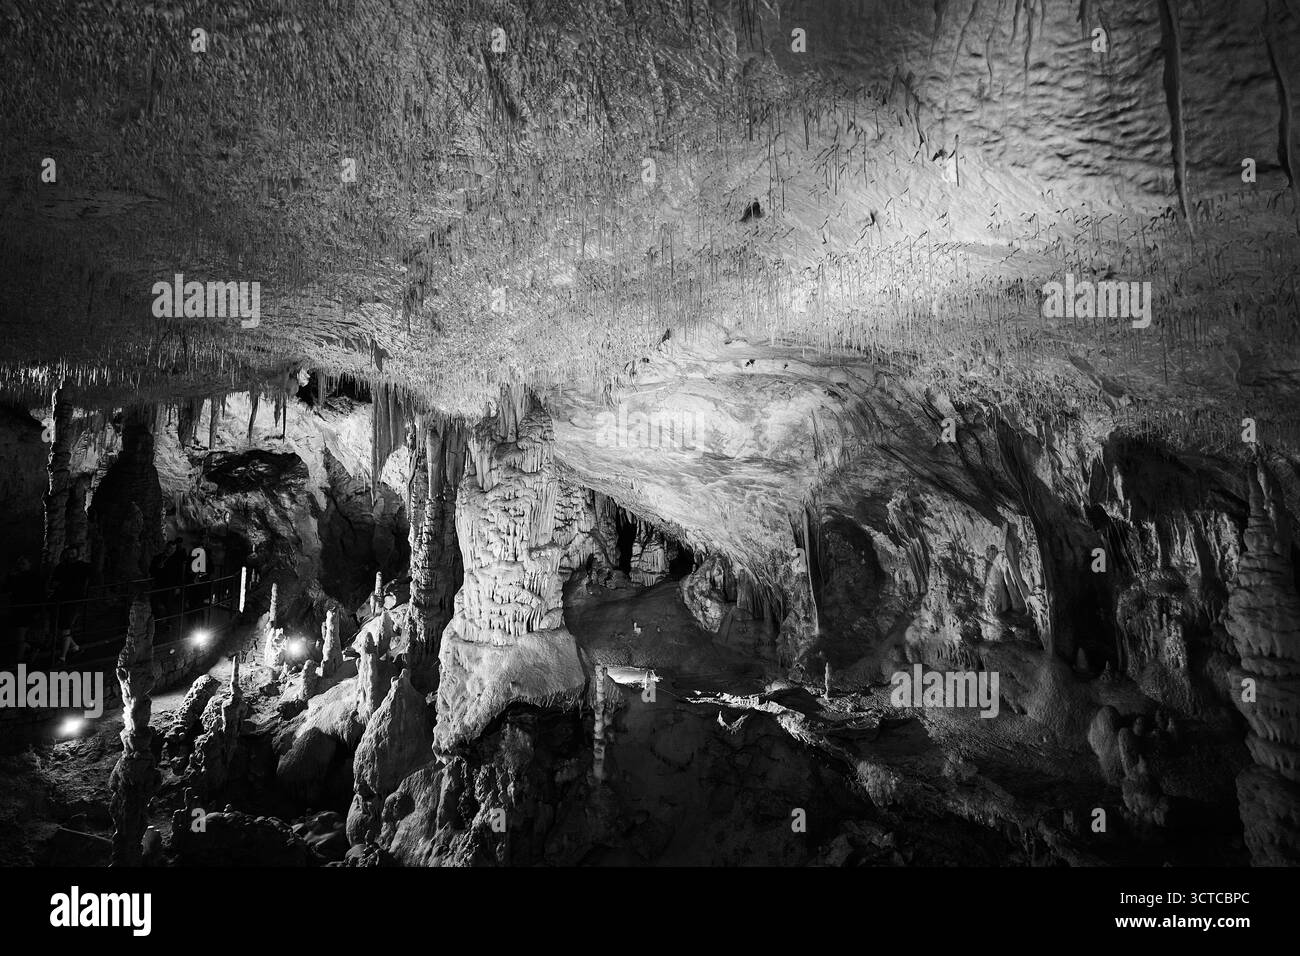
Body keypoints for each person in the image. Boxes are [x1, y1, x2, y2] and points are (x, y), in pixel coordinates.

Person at [48, 546, 91, 664]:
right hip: (60, 599)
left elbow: (93, 576)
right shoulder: (61, 567)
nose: (71, 555)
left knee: (65, 627)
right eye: (69, 553)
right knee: (60, 627)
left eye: (73, 553)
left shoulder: (82, 566)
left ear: (77, 554)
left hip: (73, 600)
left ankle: (62, 657)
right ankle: (75, 648)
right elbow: (54, 580)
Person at [3, 555, 41, 665]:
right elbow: (7, 588)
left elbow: (38, 594)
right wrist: (10, 577)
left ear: (29, 564)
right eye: (19, 563)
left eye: (23, 563)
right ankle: (31, 649)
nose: (21, 566)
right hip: (17, 607)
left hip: (27, 608)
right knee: (19, 634)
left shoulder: (34, 577)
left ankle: (19, 659)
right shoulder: (16, 576)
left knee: (21, 634)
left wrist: (37, 609)